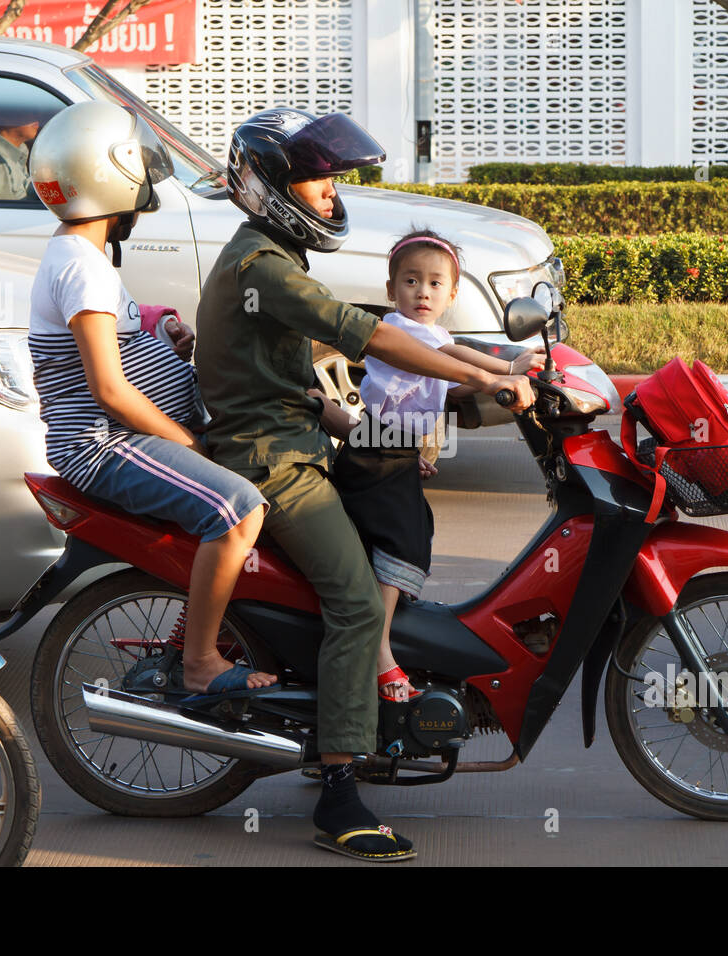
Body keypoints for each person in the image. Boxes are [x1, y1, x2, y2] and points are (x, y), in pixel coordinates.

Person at [194, 108, 533, 862]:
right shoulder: (264, 266)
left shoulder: (269, 254)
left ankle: (350, 714)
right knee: (354, 601)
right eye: (316, 179)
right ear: (274, 187)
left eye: (333, 179)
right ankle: (341, 790)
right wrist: (495, 373)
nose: (329, 193)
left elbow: (362, 347)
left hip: (298, 436)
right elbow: (376, 335)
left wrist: (494, 365)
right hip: (272, 459)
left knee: (390, 522)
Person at [27, 101, 274, 696]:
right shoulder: (81, 269)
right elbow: (108, 389)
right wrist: (188, 439)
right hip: (106, 444)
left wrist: (164, 339)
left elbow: (118, 343)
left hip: (126, 436)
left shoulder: (79, 258)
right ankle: (199, 663)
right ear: (110, 180)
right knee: (238, 508)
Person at [317, 228, 545, 702]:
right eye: (411, 281)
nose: (423, 291)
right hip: (377, 454)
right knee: (402, 539)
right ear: (391, 291)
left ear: (452, 294)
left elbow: (443, 387)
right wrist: (506, 368)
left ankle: (389, 622)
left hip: (389, 449)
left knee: (409, 531)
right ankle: (378, 649)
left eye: (435, 283)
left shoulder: (433, 334)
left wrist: (486, 391)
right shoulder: (406, 332)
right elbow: (449, 358)